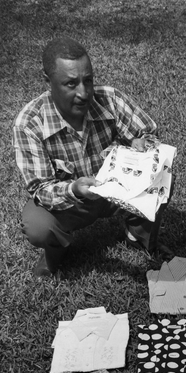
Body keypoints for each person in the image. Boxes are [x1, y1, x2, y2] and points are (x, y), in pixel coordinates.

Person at [13, 36, 173, 279]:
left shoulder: (110, 98)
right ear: (48, 81)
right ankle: (55, 252)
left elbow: (148, 132)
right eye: (70, 84)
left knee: (162, 174)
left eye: (88, 80)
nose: (84, 93)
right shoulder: (29, 124)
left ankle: (139, 235)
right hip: (73, 200)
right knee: (38, 225)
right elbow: (41, 189)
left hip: (117, 190)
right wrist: (75, 190)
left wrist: (145, 144)